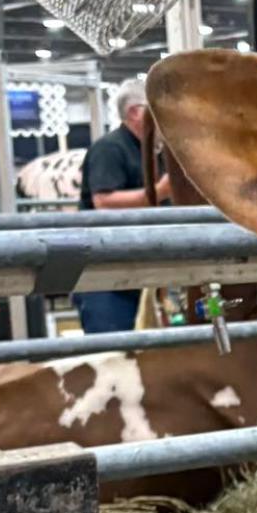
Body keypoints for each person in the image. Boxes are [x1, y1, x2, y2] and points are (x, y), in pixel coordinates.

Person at [72, 77, 172, 334]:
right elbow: (103, 202)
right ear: (135, 112)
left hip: (140, 269)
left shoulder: (154, 151)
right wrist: (159, 192)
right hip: (106, 274)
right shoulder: (110, 148)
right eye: (157, 108)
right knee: (114, 344)